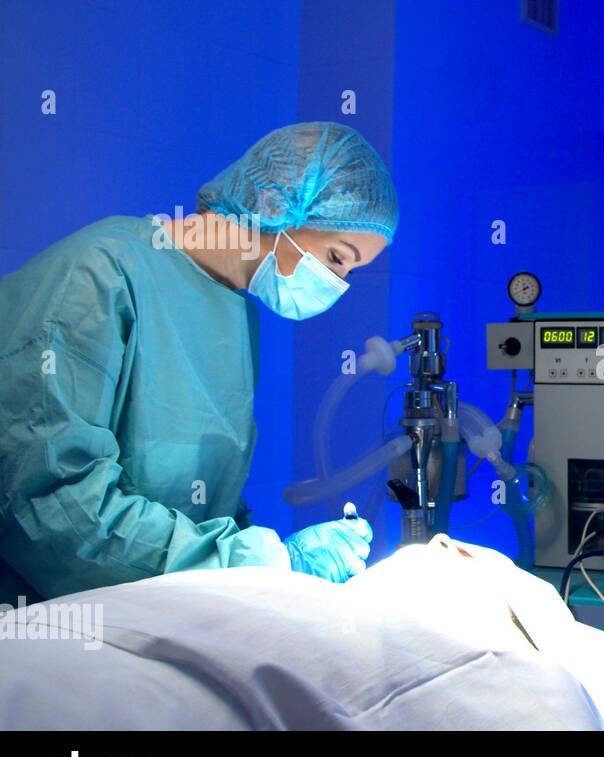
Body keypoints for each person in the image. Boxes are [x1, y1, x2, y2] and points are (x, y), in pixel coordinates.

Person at [0, 122, 399, 606]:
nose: (337, 284)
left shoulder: (237, 313)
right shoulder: (100, 275)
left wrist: (261, 560)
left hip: (159, 618)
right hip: (46, 629)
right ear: (275, 205)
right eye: (337, 258)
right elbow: (57, 510)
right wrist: (263, 567)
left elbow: (210, 504)